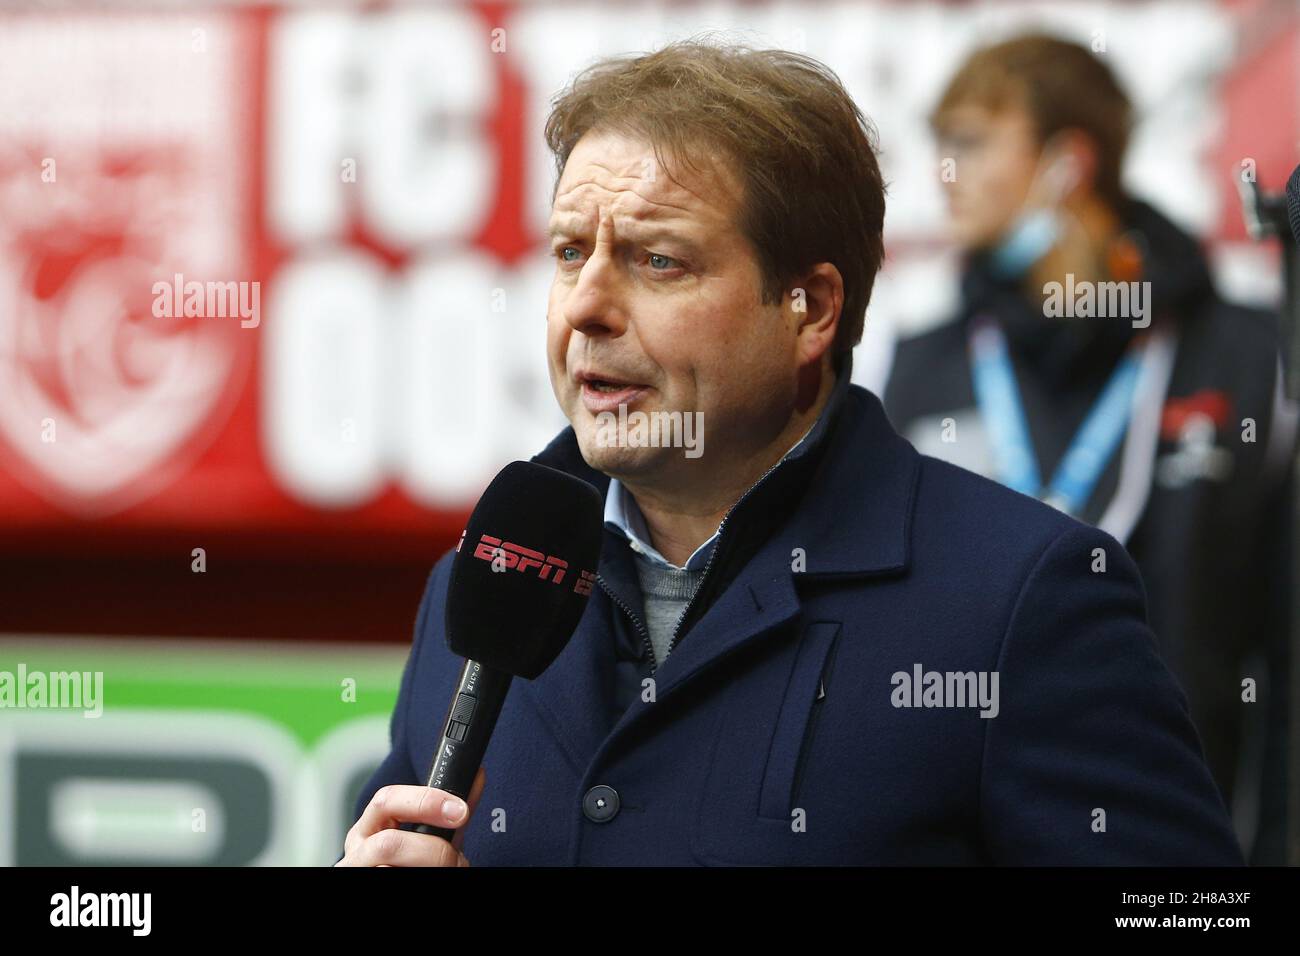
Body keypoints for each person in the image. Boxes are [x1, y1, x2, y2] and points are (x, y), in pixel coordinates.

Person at [338, 38, 1243, 866]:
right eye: (572, 252)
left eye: (659, 261)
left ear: (809, 308)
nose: (586, 306)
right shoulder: (479, 588)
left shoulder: (1025, 600)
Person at [882, 33, 1293, 864]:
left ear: (1067, 162)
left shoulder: (1246, 356)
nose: (942, 176)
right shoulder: (926, 364)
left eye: (968, 144)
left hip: (1185, 863)